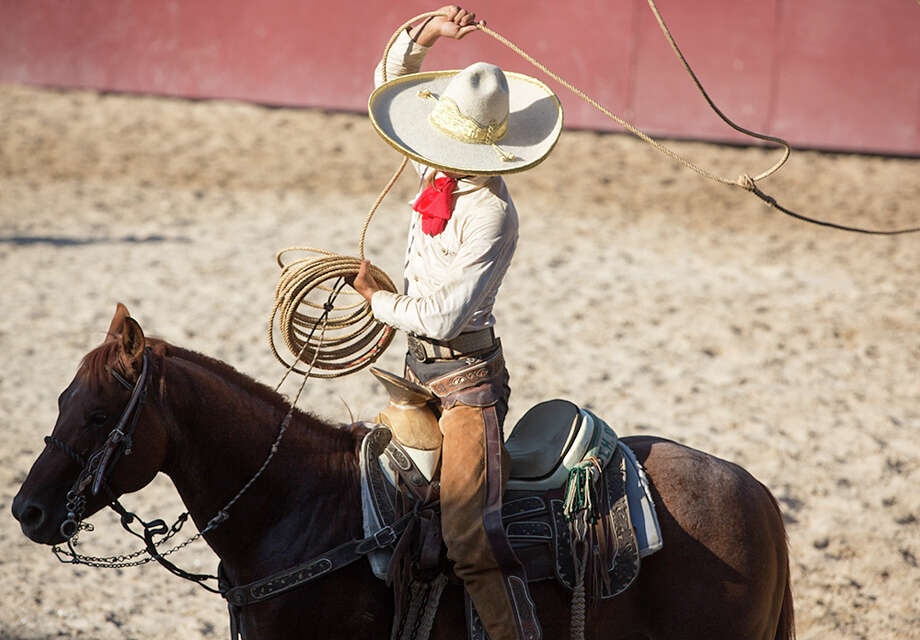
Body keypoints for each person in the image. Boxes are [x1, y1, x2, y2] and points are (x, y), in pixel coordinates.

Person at [353, 6, 562, 640]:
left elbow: (445, 315)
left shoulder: (493, 216)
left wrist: (377, 305)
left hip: (466, 382)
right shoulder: (436, 170)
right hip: (418, 370)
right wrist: (425, 35)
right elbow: (388, 83)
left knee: (471, 538)